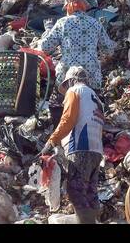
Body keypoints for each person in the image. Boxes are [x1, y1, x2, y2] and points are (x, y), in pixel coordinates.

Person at [41, 66, 107, 223]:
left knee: (76, 191)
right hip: (97, 151)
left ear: (71, 81)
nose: (66, 89)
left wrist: (52, 140)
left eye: (66, 85)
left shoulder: (75, 91)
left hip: (80, 147)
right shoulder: (95, 97)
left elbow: (68, 119)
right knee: (90, 193)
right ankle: (92, 220)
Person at [38, 0, 107, 90]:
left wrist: (48, 30)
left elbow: (45, 47)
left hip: (68, 76)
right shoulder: (95, 23)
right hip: (92, 76)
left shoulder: (62, 23)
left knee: (64, 97)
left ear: (68, 6)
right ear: (84, 5)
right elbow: (108, 48)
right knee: (93, 96)